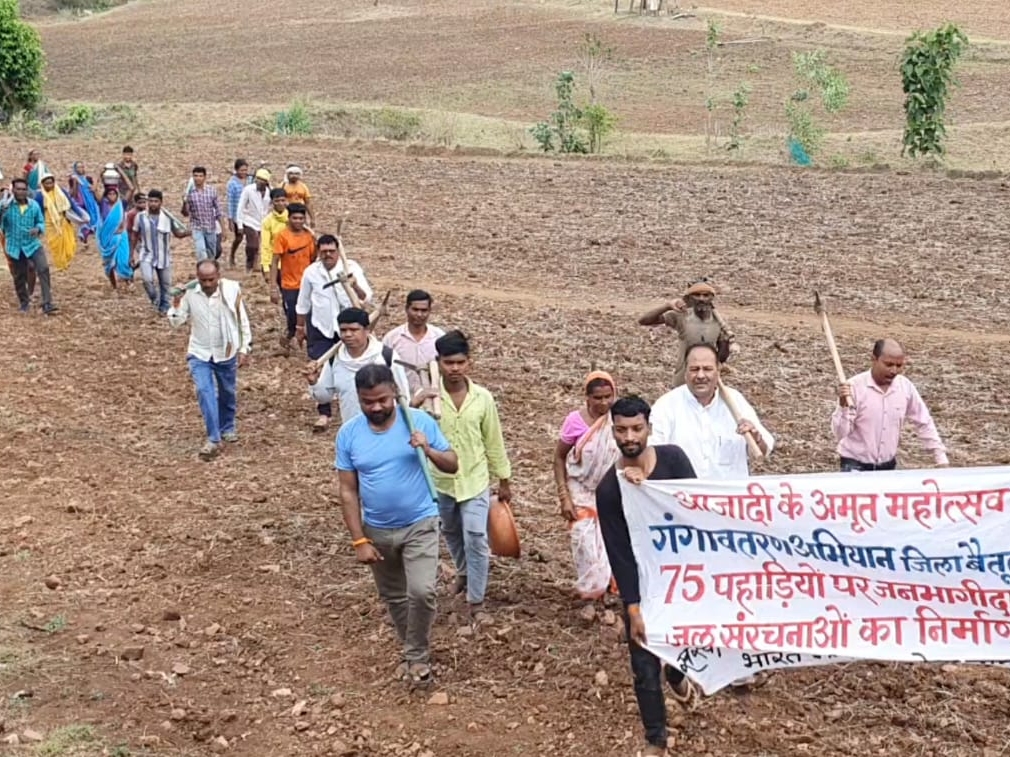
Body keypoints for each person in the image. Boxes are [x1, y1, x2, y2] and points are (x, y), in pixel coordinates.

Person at [336, 363, 458, 686]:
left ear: (395, 393)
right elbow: (348, 490)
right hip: (376, 529)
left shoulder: (417, 422)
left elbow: (452, 464)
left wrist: (427, 448)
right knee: (394, 597)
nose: (376, 407)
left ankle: (415, 654)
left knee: (421, 591)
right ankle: (415, 651)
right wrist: (359, 541)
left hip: (420, 521)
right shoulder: (348, 435)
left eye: (382, 400)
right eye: (367, 402)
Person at [596, 396, 699, 757]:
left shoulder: (673, 459)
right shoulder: (609, 490)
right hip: (643, 582)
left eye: (636, 428)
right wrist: (633, 606)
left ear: (648, 429)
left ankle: (677, 673)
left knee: (683, 643)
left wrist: (651, 491)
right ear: (613, 432)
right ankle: (655, 736)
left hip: (685, 575)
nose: (629, 436)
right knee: (642, 661)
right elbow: (619, 551)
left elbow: (696, 507)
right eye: (621, 429)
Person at [427, 331, 511, 624]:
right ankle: (463, 572)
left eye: (460, 362)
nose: (455, 368)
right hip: (440, 482)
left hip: (475, 479)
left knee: (476, 537)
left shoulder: (482, 398)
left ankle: (477, 599)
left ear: (469, 363)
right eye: (448, 362)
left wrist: (504, 479)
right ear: (438, 363)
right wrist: (416, 402)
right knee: (450, 530)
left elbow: (493, 440)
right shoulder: (430, 397)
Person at [167, 259, 252, 461]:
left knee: (227, 391)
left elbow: (242, 320)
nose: (207, 284)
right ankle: (213, 437)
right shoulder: (189, 294)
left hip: (226, 350)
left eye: (211, 280)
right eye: (203, 280)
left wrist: (244, 347)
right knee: (204, 391)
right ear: (197, 278)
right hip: (200, 352)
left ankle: (227, 426)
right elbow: (176, 323)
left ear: (218, 276)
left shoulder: (230, 291)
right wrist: (177, 303)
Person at [649, 343, 773, 478]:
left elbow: (762, 452)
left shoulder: (736, 401)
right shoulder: (666, 405)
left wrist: (757, 438)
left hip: (728, 495)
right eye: (694, 369)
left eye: (707, 369)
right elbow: (651, 453)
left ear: (718, 371)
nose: (700, 375)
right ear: (685, 371)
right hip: (683, 495)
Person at [834, 338, 949, 471]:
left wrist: (940, 458)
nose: (894, 371)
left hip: (888, 466)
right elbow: (840, 433)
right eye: (888, 365)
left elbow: (924, 422)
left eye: (899, 366)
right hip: (854, 465)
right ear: (874, 359)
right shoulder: (854, 387)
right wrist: (843, 408)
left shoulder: (905, 387)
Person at [295, 234, 373, 430]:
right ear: (319, 252)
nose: (328, 255)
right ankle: (324, 413)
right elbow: (303, 302)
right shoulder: (311, 272)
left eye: (332, 251)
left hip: (349, 329)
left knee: (355, 366)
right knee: (318, 368)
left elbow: (366, 298)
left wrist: (353, 284)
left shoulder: (351, 268)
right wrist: (299, 327)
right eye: (324, 252)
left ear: (338, 251)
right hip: (321, 327)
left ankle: (360, 407)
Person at [554, 371, 620, 602]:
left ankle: (606, 591)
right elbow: (559, 457)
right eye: (597, 398)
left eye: (608, 397)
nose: (603, 403)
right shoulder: (575, 421)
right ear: (587, 398)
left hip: (610, 490)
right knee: (583, 540)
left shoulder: (618, 420)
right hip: (580, 488)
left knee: (608, 540)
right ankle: (591, 590)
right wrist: (564, 497)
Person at [306, 308, 411, 424]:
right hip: (352, 429)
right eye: (343, 330)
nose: (348, 334)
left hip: (387, 429)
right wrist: (313, 382)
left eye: (354, 330)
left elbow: (404, 396)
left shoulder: (386, 356)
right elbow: (324, 398)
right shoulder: (334, 359)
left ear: (367, 330)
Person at [638, 280, 739, 387]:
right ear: (690, 298)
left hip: (706, 381)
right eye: (697, 295)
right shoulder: (682, 316)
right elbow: (644, 321)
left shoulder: (718, 322)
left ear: (711, 298)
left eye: (705, 295)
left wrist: (725, 345)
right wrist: (667, 306)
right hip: (683, 380)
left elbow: (722, 357)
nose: (701, 299)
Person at [1, 178, 56, 314]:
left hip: (32, 244)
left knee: (43, 268)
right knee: (19, 276)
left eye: (24, 189)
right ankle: (24, 303)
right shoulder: (5, 205)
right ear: (13, 190)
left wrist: (38, 229)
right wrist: (2, 210)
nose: (21, 192)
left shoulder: (34, 206)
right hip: (15, 246)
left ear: (27, 190)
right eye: (18, 189)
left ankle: (47, 303)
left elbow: (41, 222)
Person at [131, 189, 191, 314]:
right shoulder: (140, 217)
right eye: (151, 201)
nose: (153, 204)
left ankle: (164, 307)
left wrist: (188, 233)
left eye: (156, 201)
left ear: (161, 202)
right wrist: (131, 254)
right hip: (146, 254)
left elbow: (177, 234)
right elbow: (134, 235)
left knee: (165, 285)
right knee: (147, 280)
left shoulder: (167, 218)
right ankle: (154, 298)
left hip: (164, 256)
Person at [270, 202, 315, 354]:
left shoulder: (309, 236)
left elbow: (314, 258)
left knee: (309, 314)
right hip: (289, 284)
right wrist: (273, 287)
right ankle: (290, 336)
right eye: (295, 218)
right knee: (292, 314)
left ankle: (310, 343)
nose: (298, 222)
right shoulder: (282, 236)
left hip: (308, 284)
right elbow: (275, 260)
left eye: (301, 218)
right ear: (289, 218)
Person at [382, 290, 446, 398]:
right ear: (407, 309)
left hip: (434, 400)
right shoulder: (392, 338)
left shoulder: (439, 337)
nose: (419, 314)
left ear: (430, 311)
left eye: (424, 310)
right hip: (402, 400)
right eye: (415, 310)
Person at [36, 172, 78, 272]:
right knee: (55, 245)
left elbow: (70, 203)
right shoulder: (39, 196)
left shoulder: (61, 191)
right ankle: (60, 264)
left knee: (69, 243)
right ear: (42, 184)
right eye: (47, 183)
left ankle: (67, 261)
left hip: (63, 221)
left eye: (51, 183)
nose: (49, 185)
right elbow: (38, 211)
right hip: (49, 224)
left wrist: (80, 215)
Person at [235, 168, 272, 274]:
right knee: (253, 244)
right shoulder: (248, 190)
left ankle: (255, 266)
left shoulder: (270, 192)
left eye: (262, 180)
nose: (259, 181)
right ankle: (249, 263)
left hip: (262, 221)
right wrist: (240, 225)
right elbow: (240, 207)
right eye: (258, 179)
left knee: (260, 245)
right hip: (249, 220)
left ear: (266, 182)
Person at [181, 166, 222, 262]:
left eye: (200, 176)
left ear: (204, 177)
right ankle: (202, 271)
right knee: (201, 252)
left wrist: (223, 229)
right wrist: (184, 202)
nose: (198, 178)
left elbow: (218, 211)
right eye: (195, 176)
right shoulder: (190, 193)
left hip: (210, 227)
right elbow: (185, 213)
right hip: (197, 227)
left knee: (211, 254)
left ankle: (210, 272)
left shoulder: (211, 191)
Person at [98, 186, 132, 289]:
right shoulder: (103, 205)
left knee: (123, 260)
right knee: (109, 264)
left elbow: (131, 188)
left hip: (120, 236)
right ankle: (114, 286)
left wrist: (119, 170)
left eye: (114, 194)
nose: (112, 196)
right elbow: (94, 190)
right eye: (109, 194)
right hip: (107, 239)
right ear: (106, 196)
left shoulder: (121, 205)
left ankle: (127, 280)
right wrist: (100, 174)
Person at [259, 188, 288, 281]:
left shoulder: (293, 218)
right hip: (276, 263)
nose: (280, 203)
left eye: (283, 200)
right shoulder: (267, 221)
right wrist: (266, 268)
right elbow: (265, 246)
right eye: (277, 201)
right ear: (272, 202)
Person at [225, 159, 250, 267]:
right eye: (241, 170)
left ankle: (250, 261)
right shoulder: (232, 183)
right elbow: (230, 201)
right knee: (239, 237)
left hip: (249, 214)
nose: (243, 172)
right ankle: (232, 255)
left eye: (245, 170)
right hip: (237, 215)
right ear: (236, 170)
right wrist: (230, 219)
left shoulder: (250, 180)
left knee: (251, 238)